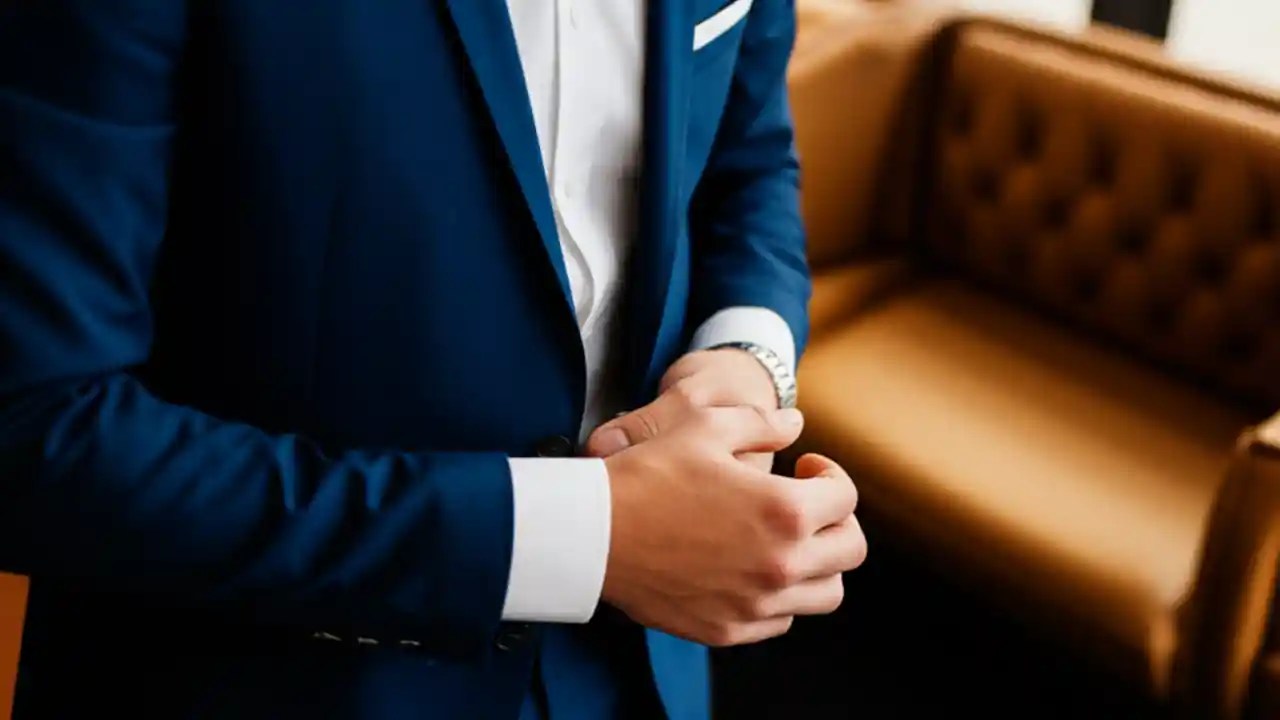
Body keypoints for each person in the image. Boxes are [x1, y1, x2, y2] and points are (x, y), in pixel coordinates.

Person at [0, 0, 867, 717]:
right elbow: (35, 430)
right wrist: (581, 537)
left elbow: (749, 165)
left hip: (648, 668)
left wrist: (745, 362)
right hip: (268, 681)